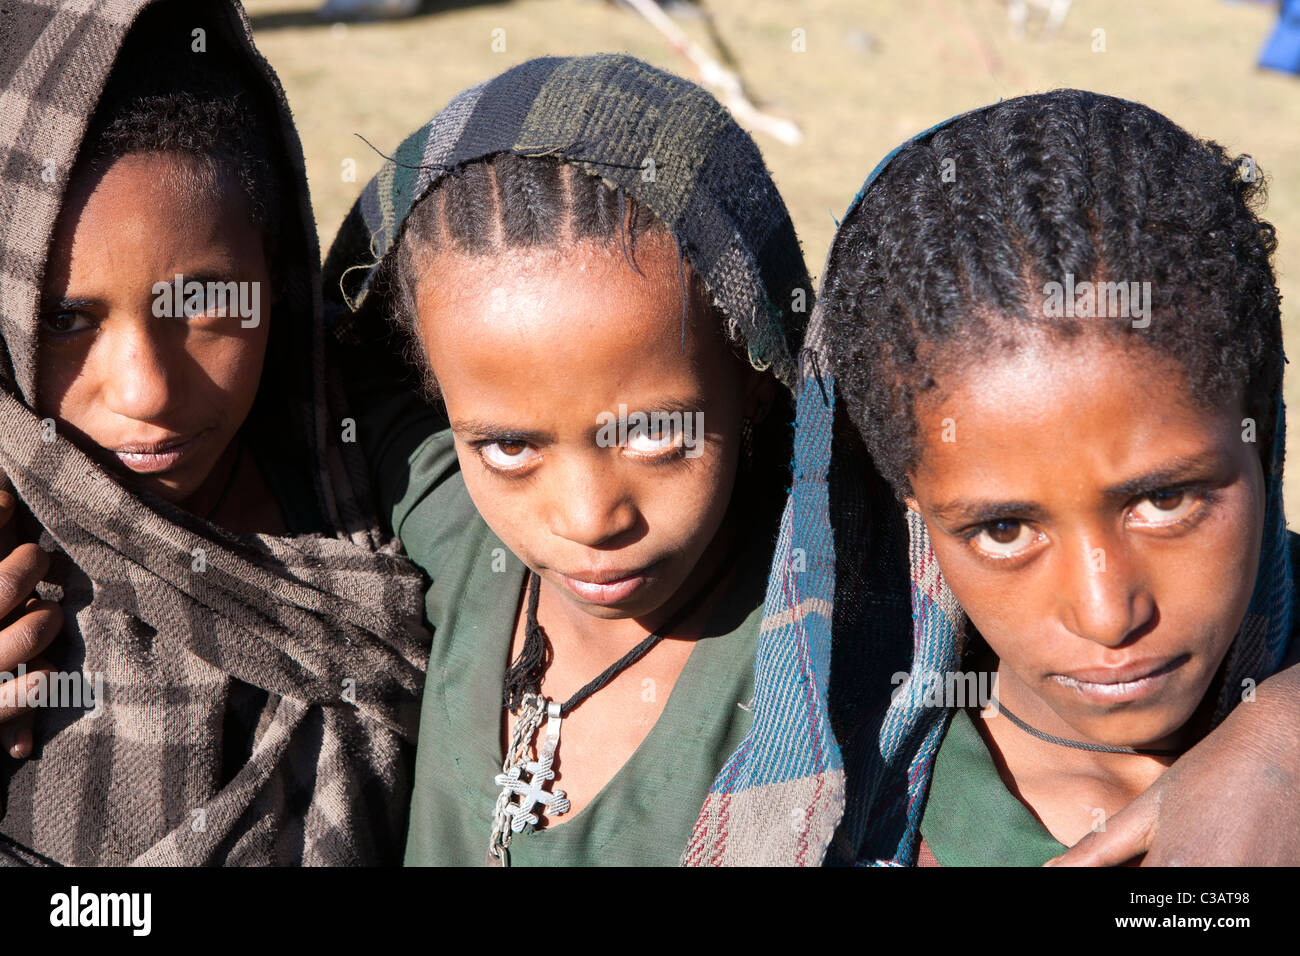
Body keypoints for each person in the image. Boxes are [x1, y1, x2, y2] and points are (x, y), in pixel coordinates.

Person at [322, 53, 837, 865]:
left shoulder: (827, 647)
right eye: (510, 445)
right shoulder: (441, 530)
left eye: (653, 434)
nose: (589, 518)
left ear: (759, 376)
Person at [814, 89, 1300, 865]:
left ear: (1261, 434)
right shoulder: (835, 780)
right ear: (911, 501)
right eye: (1004, 529)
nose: (1109, 616)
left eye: (1164, 499)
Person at [0, 0, 428, 864]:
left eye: (202, 303)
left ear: (275, 271)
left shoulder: (386, 474)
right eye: (66, 321)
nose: (147, 391)